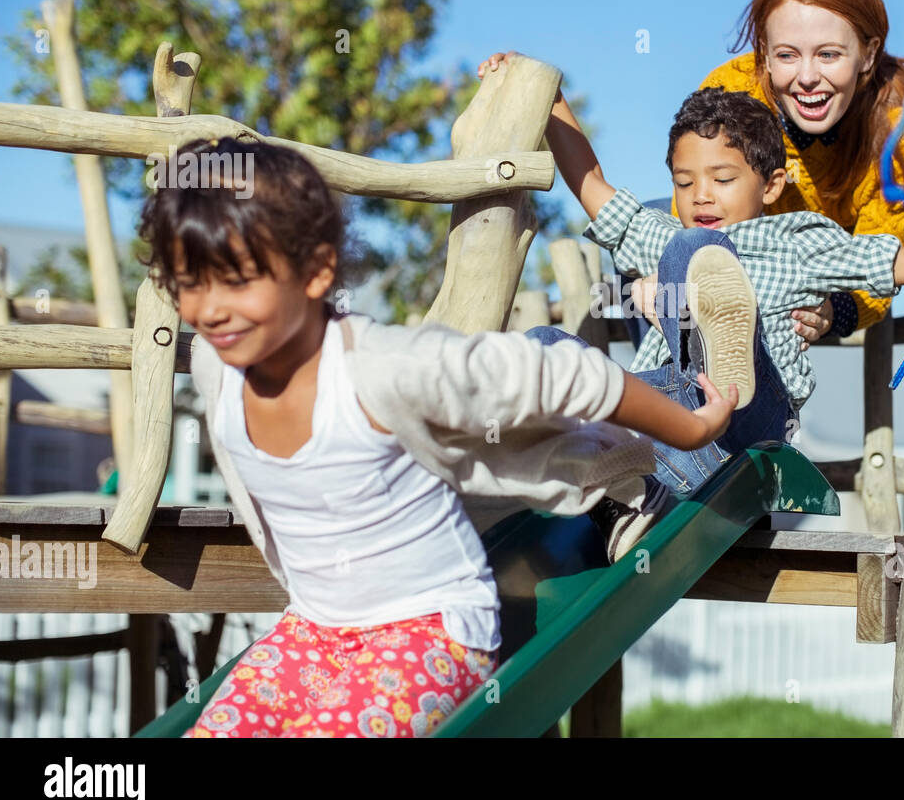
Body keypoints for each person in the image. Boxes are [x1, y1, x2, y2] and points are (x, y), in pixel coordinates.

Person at [138, 137, 736, 737]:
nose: (211, 308)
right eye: (189, 282)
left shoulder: (384, 367)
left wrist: (693, 428)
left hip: (428, 631)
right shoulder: (220, 368)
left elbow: (559, 373)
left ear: (316, 269)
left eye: (238, 280)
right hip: (314, 631)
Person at [479, 0, 904, 350]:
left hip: (830, 258)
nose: (807, 77)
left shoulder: (897, 119)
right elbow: (630, 189)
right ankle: (672, 361)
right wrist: (538, 90)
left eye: (829, 55)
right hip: (737, 248)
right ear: (763, 53)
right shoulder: (732, 89)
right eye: (787, 56)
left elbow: (897, 252)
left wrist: (841, 310)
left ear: (867, 51)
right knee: (658, 215)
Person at [483, 52, 904, 512]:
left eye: (722, 178)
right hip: (664, 428)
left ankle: (723, 371)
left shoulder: (798, 240)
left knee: (693, 251)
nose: (701, 194)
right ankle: (614, 484)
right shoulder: (663, 236)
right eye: (684, 183)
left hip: (749, 433)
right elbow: (592, 185)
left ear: (770, 185)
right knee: (543, 345)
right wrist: (550, 95)